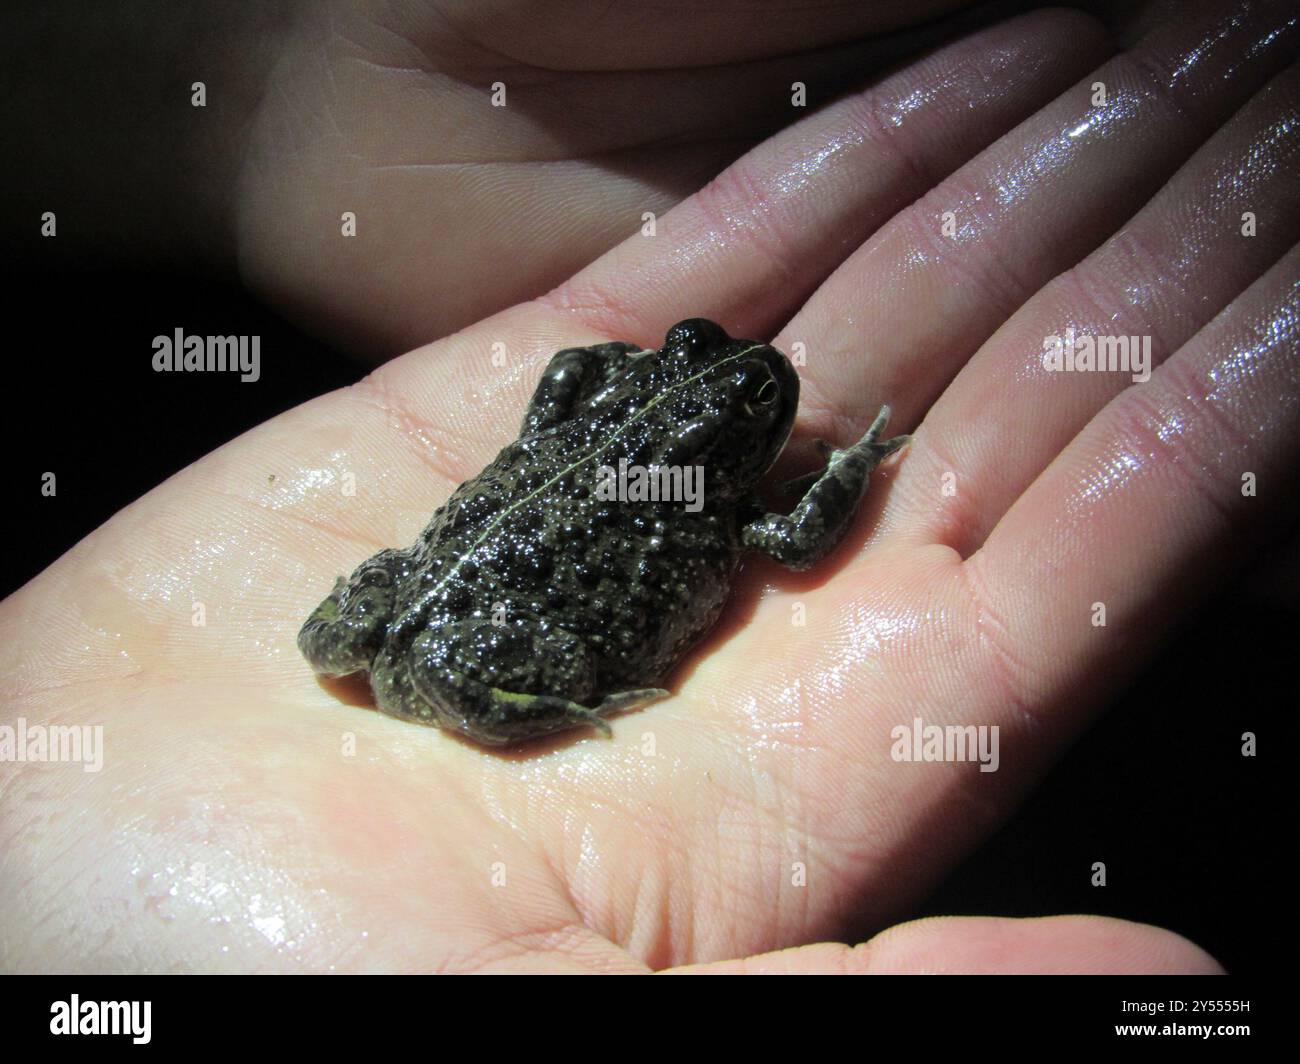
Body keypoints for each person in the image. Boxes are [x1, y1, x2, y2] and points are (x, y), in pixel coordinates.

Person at [2, 0, 1295, 973]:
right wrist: (850, 468)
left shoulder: (616, 421)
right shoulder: (718, 494)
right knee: (478, 642)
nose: (747, 378)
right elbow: (791, 538)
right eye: (716, 373)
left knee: (414, 614)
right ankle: (502, 677)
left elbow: (571, 374)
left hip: (424, 584)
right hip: (476, 625)